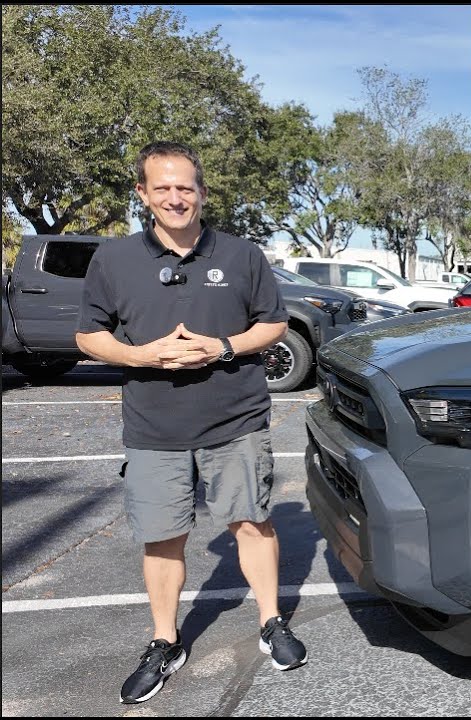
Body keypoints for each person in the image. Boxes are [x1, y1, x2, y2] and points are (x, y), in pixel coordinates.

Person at [76, 141, 308, 705]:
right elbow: (89, 334)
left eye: (186, 187)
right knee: (162, 538)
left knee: (251, 522)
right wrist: (143, 356)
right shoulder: (114, 259)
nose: (176, 197)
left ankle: (272, 622)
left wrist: (223, 346)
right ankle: (164, 641)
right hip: (154, 427)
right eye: (163, 188)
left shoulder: (241, 254)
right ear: (143, 195)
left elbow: (272, 324)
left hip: (236, 420)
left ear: (202, 193)